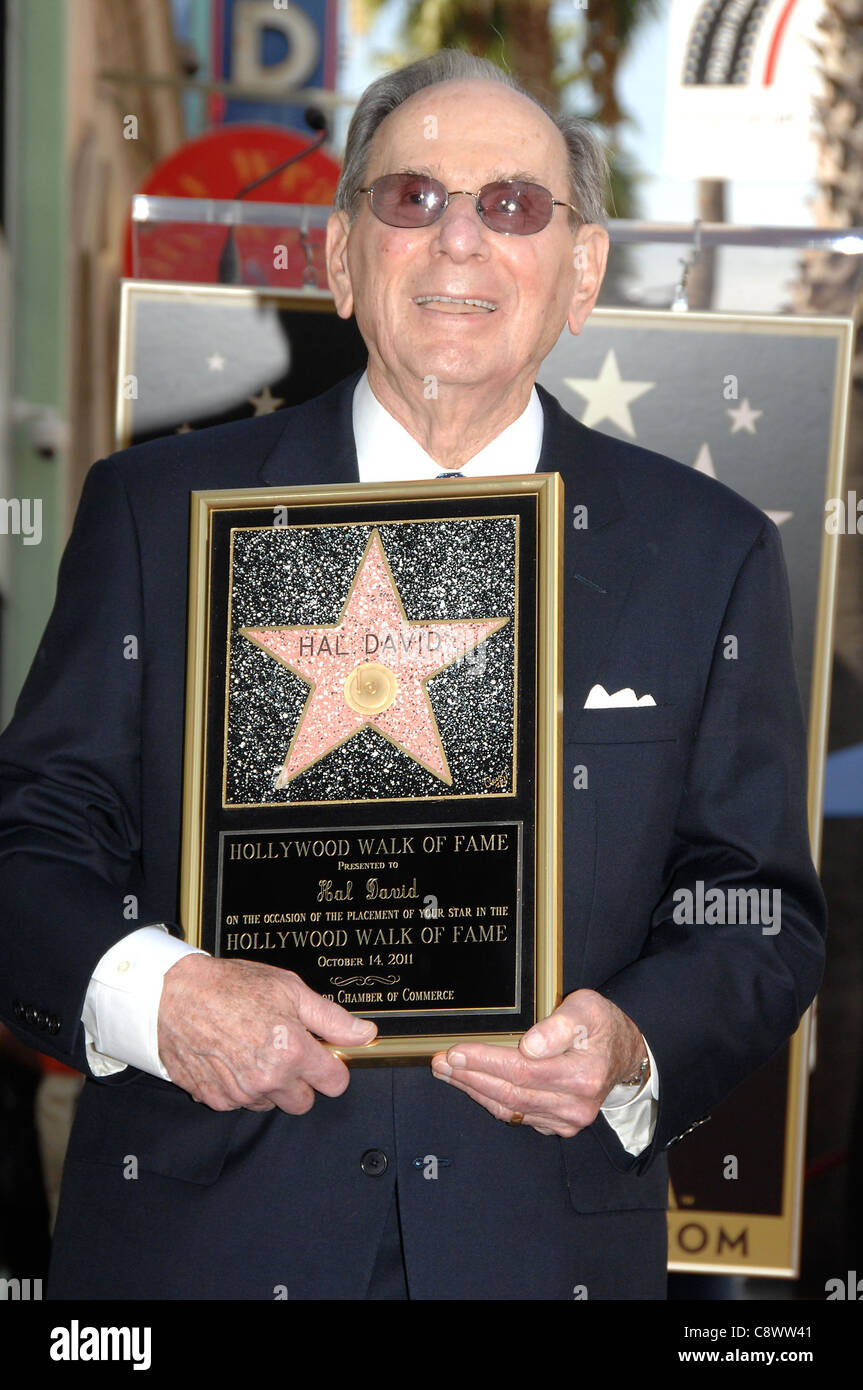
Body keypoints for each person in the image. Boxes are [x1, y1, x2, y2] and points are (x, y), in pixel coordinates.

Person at [0, 50, 825, 1300]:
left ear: (581, 273)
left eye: (510, 206)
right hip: (194, 1255)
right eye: (409, 199)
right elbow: (31, 846)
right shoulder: (154, 513)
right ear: (338, 258)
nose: (456, 241)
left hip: (541, 1256)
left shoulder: (703, 554)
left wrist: (627, 1044)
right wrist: (157, 994)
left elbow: (755, 909)